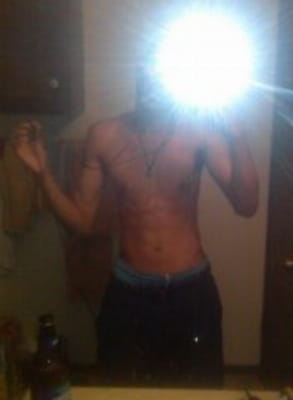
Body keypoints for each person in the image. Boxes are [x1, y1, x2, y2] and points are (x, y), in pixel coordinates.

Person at [12, 64, 259, 387]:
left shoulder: (199, 130)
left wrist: (238, 137)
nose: (154, 85)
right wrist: (42, 174)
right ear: (138, 78)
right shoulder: (104, 135)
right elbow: (82, 222)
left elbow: (246, 205)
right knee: (122, 389)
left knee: (199, 391)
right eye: (148, 75)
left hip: (192, 291)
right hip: (129, 293)